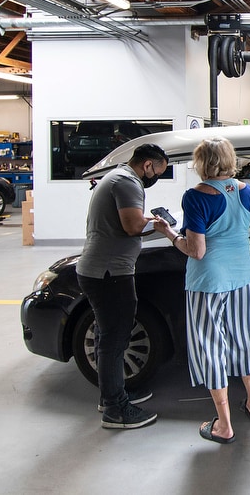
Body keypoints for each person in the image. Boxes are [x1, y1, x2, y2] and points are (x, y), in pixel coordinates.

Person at [160, 137, 250, 445]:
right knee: (243, 342)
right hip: (244, 279)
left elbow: (196, 250)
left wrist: (169, 233)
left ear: (202, 163)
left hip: (209, 283)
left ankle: (223, 425)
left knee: (211, 349)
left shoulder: (196, 196)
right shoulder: (246, 191)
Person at [76, 142, 171, 430]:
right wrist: (159, 224)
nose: (156, 178)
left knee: (110, 338)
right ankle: (116, 410)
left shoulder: (116, 178)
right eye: (158, 172)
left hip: (103, 269)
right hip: (109, 273)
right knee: (115, 338)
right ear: (147, 165)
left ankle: (112, 395)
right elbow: (131, 226)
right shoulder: (128, 182)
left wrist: (150, 221)